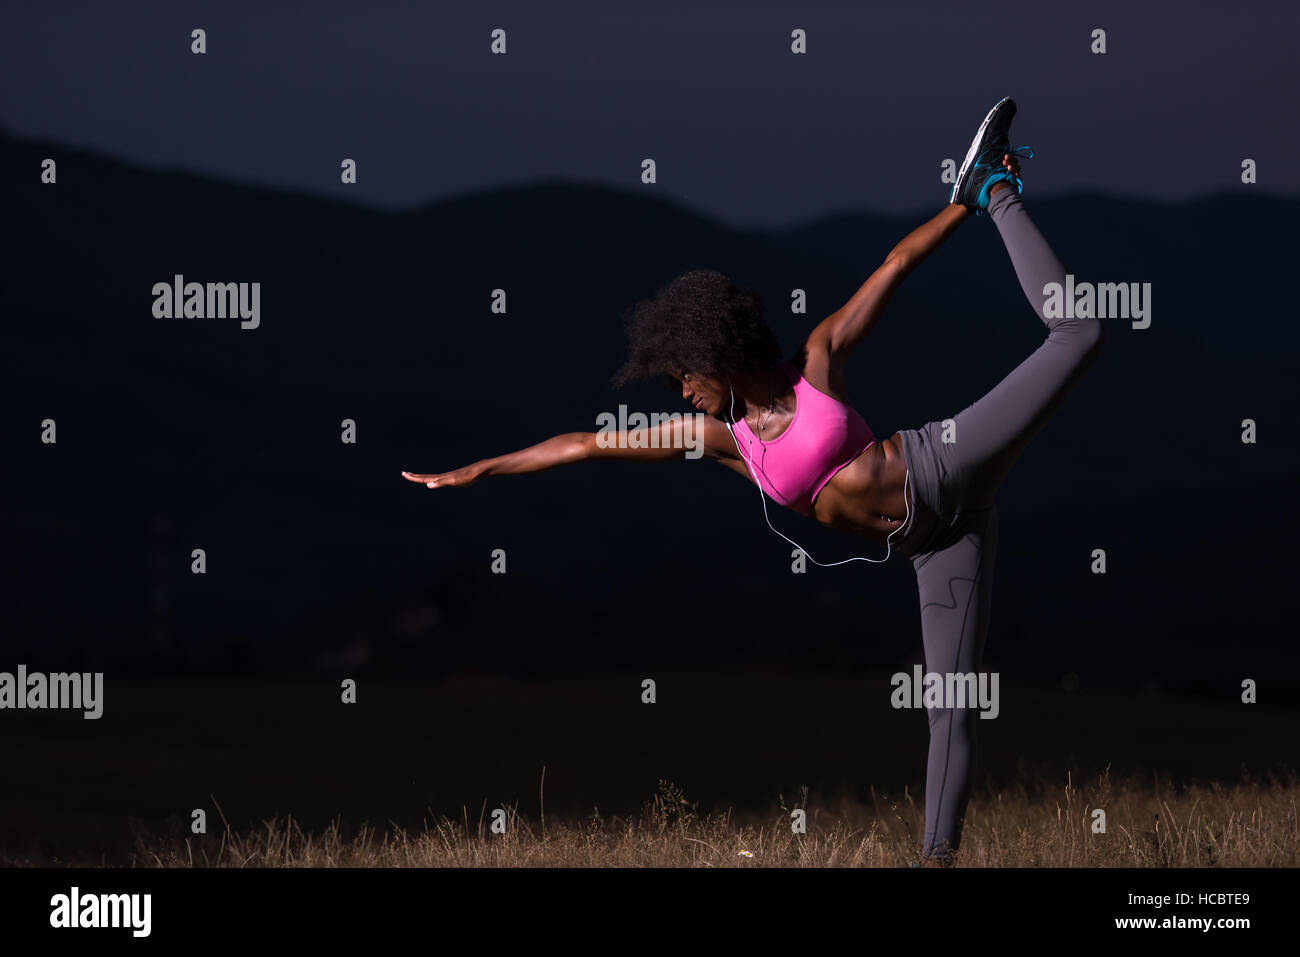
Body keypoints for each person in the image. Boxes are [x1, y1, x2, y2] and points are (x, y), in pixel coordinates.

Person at [403, 97, 1105, 866]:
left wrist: (962, 206)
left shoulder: (816, 364)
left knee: (1081, 331)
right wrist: (483, 467)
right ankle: (936, 860)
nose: (681, 393)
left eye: (683, 376)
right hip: (939, 541)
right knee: (950, 708)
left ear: (716, 353)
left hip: (946, 462)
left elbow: (894, 266)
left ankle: (994, 186)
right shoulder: (724, 441)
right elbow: (587, 444)